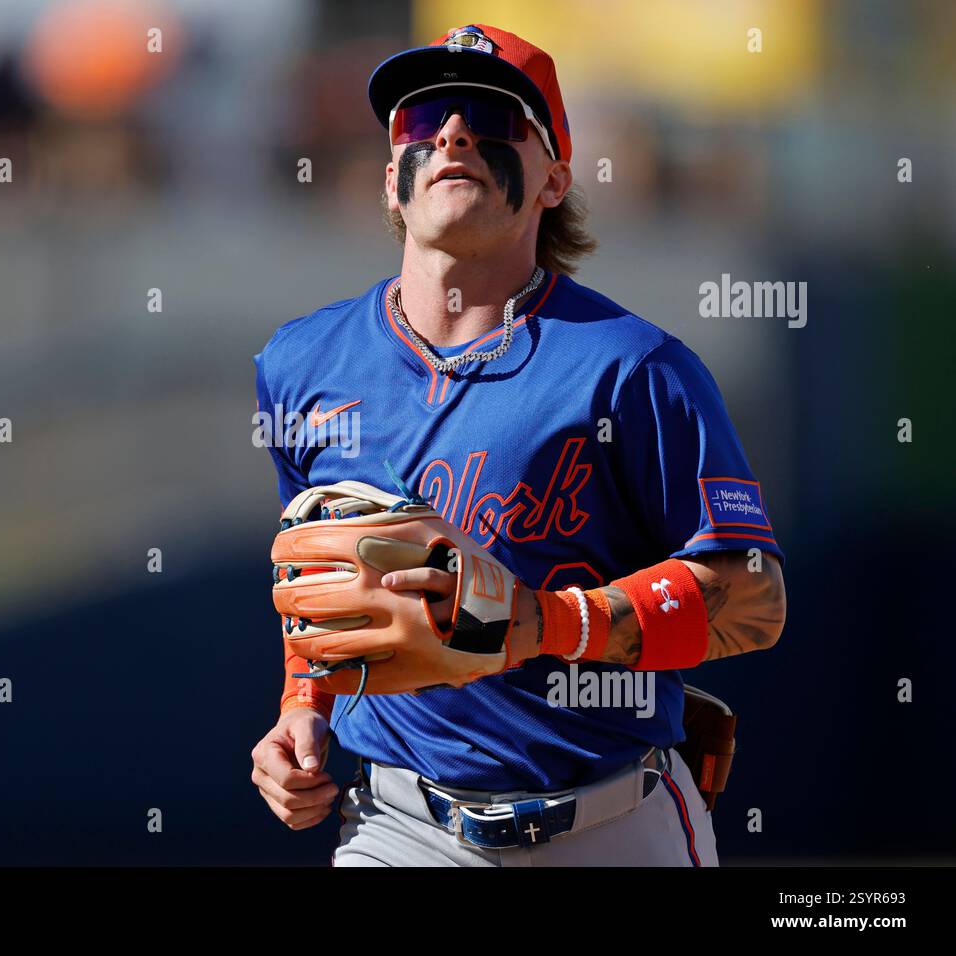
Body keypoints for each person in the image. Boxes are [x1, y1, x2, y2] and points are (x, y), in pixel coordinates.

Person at [250, 25, 786, 866]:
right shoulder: (301, 365)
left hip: (611, 817)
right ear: (392, 181)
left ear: (553, 178)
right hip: (400, 825)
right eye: (423, 118)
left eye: (492, 119)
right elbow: (318, 579)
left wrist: (544, 624)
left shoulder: (633, 367)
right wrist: (301, 708)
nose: (452, 135)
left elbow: (755, 599)